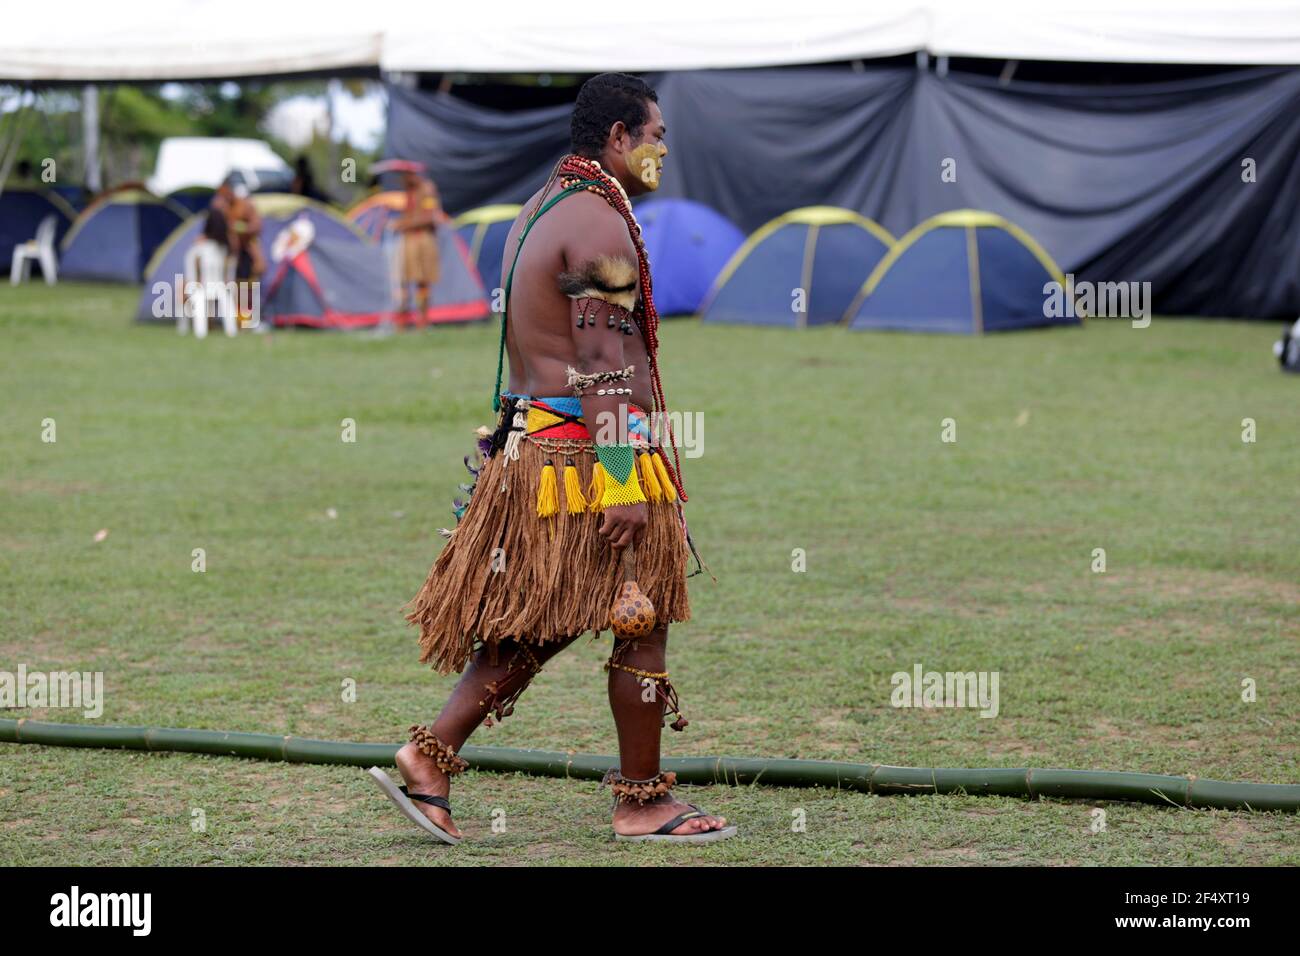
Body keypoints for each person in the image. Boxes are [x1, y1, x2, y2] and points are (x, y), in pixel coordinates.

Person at [370, 73, 732, 844]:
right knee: (645, 620)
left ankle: (429, 757)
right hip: (586, 456)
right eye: (657, 134)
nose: (665, 147)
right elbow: (602, 365)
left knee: (540, 624)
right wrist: (623, 476)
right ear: (618, 138)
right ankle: (642, 803)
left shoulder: (540, 208)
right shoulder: (599, 224)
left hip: (539, 446)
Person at [392, 166, 441, 322]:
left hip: (423, 240)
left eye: (404, 175)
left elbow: (430, 218)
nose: (402, 180)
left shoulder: (427, 189)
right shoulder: (409, 192)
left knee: (423, 280)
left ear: (412, 175)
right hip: (409, 241)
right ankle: (402, 318)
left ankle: (423, 319)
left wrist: (403, 225)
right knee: (403, 280)